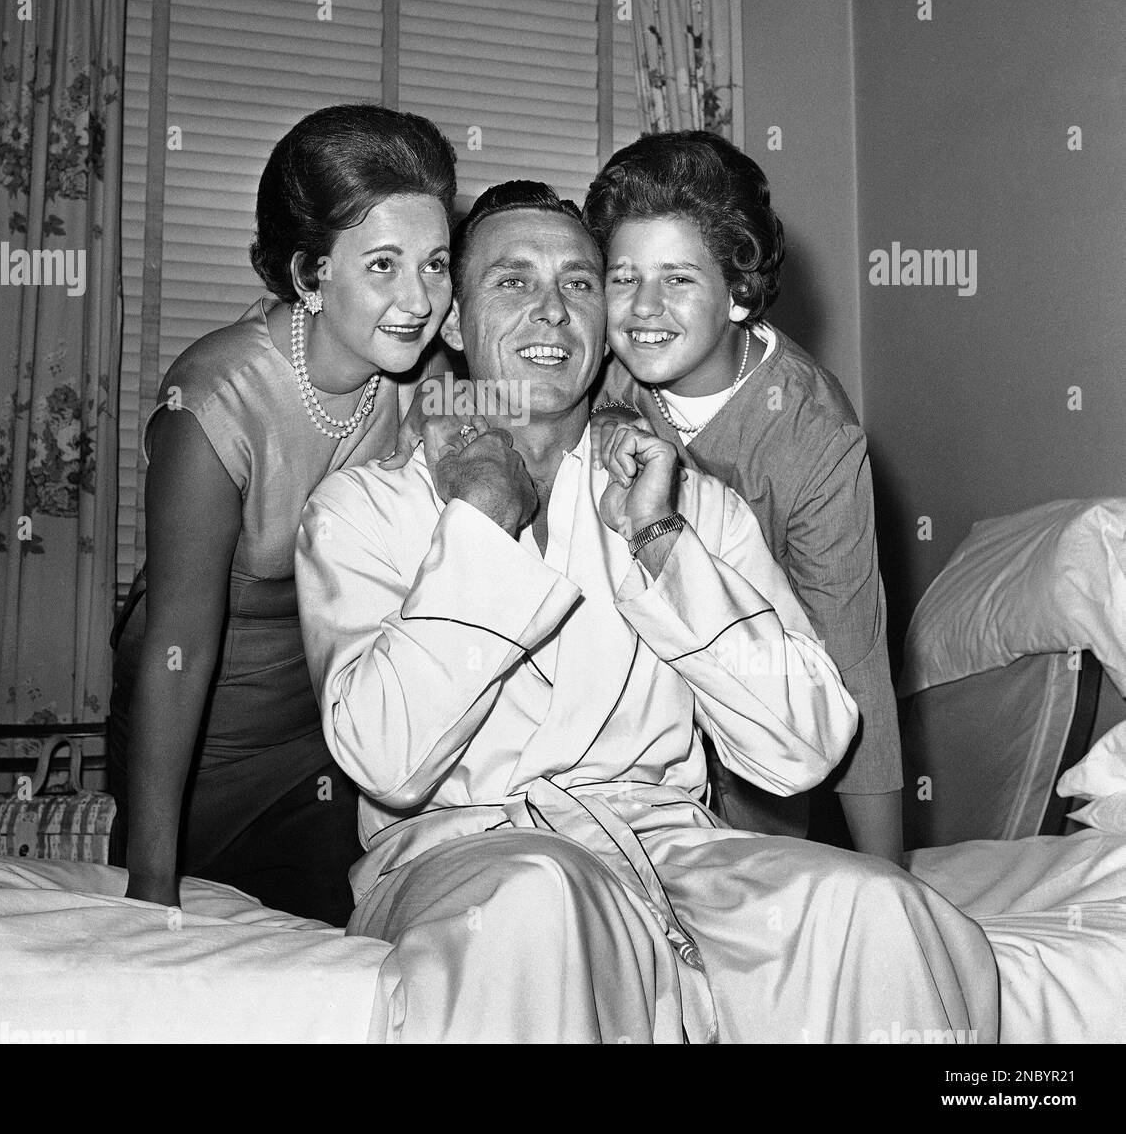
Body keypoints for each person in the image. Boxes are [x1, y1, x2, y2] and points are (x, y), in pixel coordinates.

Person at [295, 181, 997, 1042]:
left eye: (580, 283)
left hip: (671, 852)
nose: (552, 312)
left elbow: (806, 744)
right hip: (463, 862)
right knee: (538, 898)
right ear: (451, 323)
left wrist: (661, 541)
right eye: (512, 283)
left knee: (874, 908)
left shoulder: (686, 503)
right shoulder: (361, 510)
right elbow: (387, 759)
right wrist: (479, 520)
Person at [109, 104, 457, 925]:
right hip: (196, 741)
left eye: (436, 264)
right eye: (384, 265)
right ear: (309, 273)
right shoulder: (212, 402)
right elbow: (177, 646)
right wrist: (149, 885)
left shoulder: (419, 373)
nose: (420, 298)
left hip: (320, 741)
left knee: (340, 953)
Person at [581, 132, 903, 861]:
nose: (642, 307)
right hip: (618, 741)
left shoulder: (814, 439)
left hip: (756, 722)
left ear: (739, 293)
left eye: (679, 279)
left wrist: (889, 878)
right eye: (622, 276)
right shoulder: (598, 365)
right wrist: (609, 417)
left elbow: (852, 672)